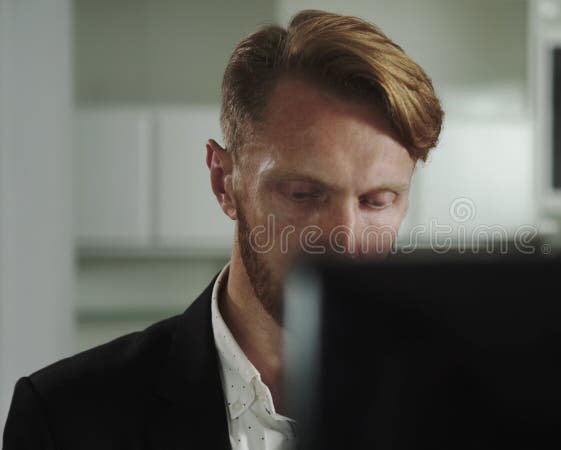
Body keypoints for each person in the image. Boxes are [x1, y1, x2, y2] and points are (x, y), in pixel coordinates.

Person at [3, 10, 443, 450]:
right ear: (224, 182)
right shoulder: (64, 419)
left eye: (377, 201)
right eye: (303, 193)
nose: (345, 239)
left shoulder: (462, 410)